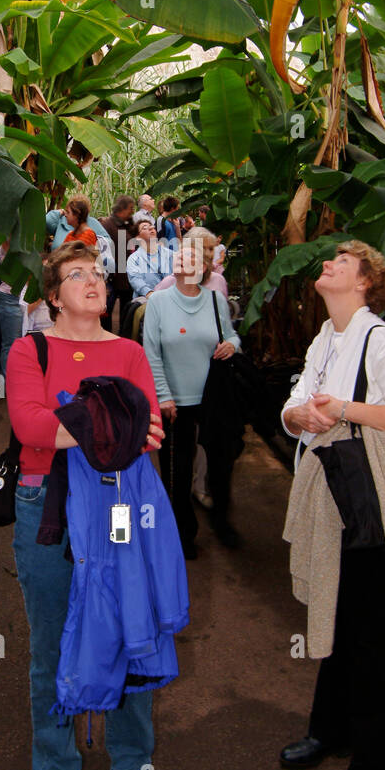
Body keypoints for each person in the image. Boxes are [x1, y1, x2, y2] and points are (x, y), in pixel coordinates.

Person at [6, 241, 165, 770]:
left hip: (120, 508)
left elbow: (148, 432)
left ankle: (131, 765)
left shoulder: (128, 350)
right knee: (51, 646)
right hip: (45, 509)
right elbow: (29, 427)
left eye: (98, 272)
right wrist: (108, 423)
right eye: (78, 274)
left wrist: (79, 422)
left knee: (127, 630)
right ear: (53, 296)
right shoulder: (31, 350)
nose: (94, 281)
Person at [277, 240, 385, 770]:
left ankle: (379, 769)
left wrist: (344, 409)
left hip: (365, 502)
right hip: (329, 496)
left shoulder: (379, 338)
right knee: (336, 612)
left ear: (365, 282)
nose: (328, 264)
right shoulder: (327, 337)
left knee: (370, 630)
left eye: (341, 261)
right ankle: (331, 730)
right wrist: (299, 415)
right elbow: (293, 405)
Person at [143, 239, 241, 558]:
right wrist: (164, 396)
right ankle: (182, 535)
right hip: (175, 402)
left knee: (220, 463)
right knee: (178, 469)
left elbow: (231, 335)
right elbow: (151, 353)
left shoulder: (215, 300)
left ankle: (222, 523)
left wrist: (232, 345)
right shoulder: (158, 302)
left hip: (214, 398)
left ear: (202, 269)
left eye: (190, 258)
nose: (182, 260)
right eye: (179, 256)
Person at [100, 194, 138, 333]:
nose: (132, 211)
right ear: (122, 208)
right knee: (107, 310)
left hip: (126, 276)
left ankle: (123, 336)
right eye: (130, 208)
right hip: (114, 276)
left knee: (125, 310)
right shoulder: (107, 225)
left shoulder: (127, 224)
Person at [0, 239, 25, 390]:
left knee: (20, 344)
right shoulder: (7, 245)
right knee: (11, 345)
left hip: (21, 298)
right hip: (9, 299)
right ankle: (9, 387)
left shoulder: (23, 243)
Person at [126, 219, 175, 298]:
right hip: (147, 300)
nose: (151, 228)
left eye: (151, 227)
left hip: (171, 298)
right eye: (145, 228)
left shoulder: (170, 254)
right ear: (137, 237)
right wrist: (149, 293)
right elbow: (135, 279)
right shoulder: (134, 259)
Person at [45, 201, 110, 250]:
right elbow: (47, 221)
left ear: (76, 215)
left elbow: (74, 256)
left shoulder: (88, 235)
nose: (65, 214)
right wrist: (60, 211)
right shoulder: (72, 234)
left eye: (68, 212)